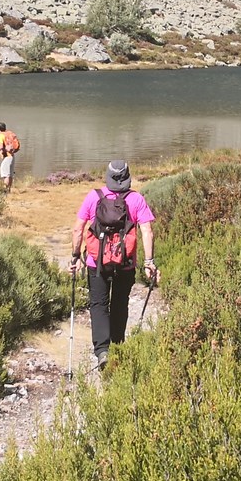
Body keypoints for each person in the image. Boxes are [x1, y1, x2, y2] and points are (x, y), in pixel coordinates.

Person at [68, 160, 158, 374]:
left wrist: (74, 256)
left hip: (96, 263)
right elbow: (147, 231)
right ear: (127, 176)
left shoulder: (94, 197)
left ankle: (102, 351)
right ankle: (117, 347)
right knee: (120, 304)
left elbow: (78, 229)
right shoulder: (136, 199)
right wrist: (149, 262)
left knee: (98, 304)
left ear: (108, 177)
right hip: (125, 264)